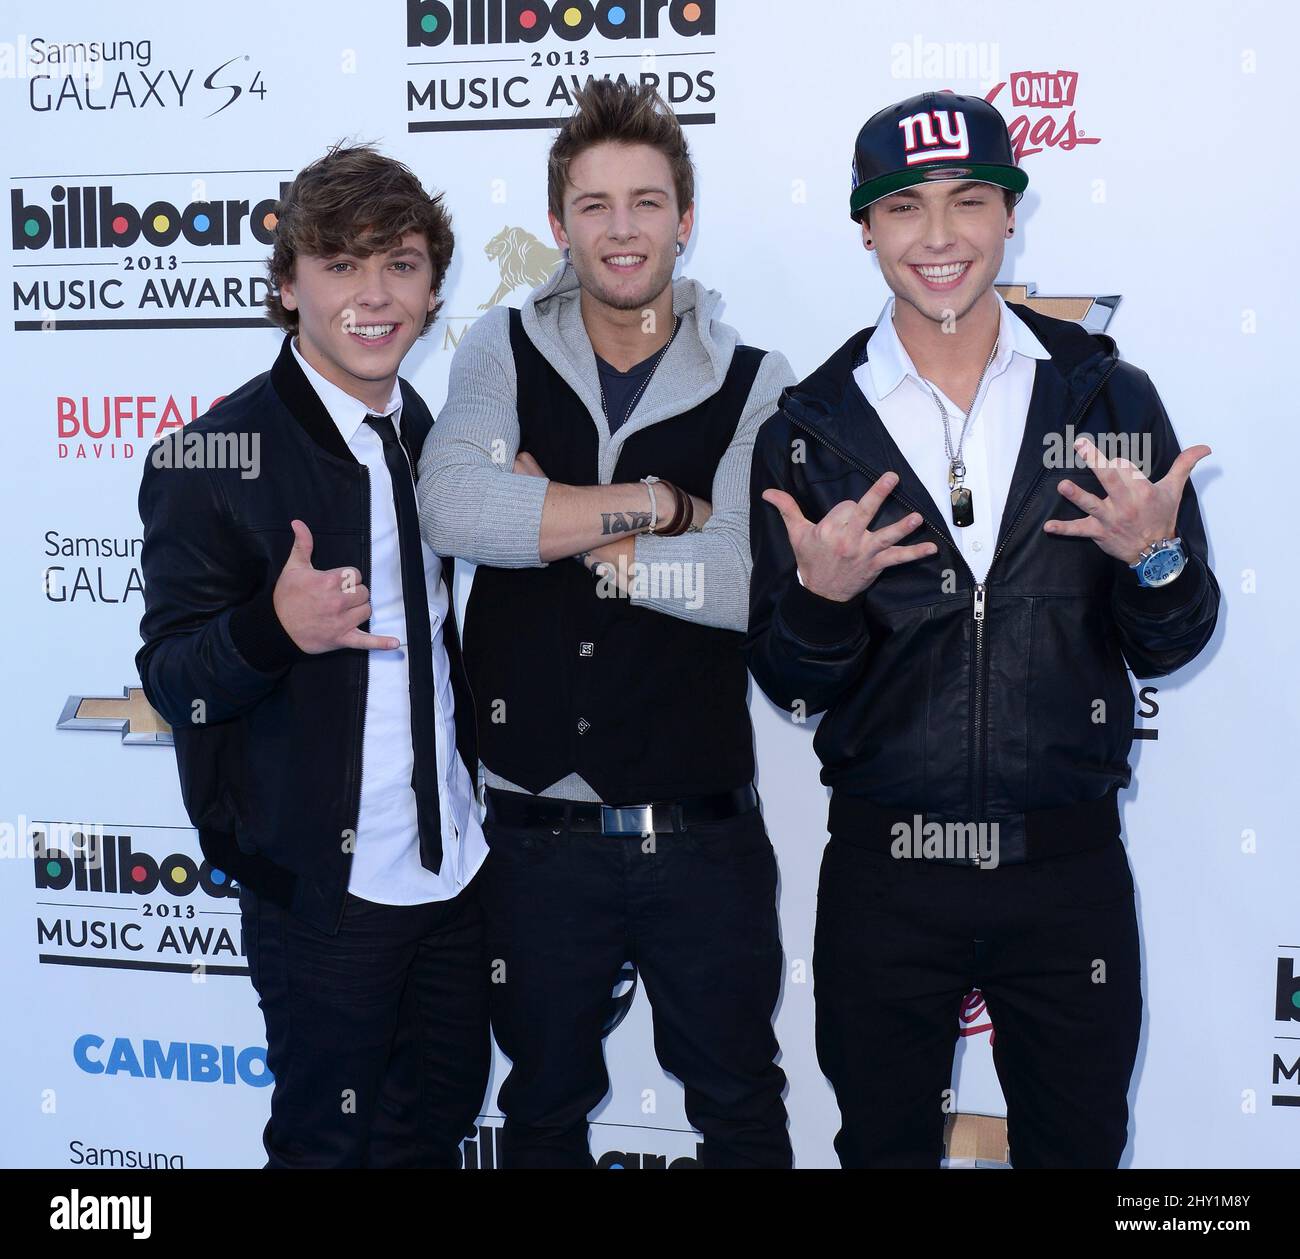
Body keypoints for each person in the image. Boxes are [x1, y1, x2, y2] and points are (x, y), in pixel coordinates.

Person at [745, 91, 1220, 1168]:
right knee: (881, 1149)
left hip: (1067, 871)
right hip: (885, 874)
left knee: (1081, 1150)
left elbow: (1173, 639)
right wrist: (819, 600)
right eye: (904, 206)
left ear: (1011, 213)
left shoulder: (1106, 397)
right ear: (864, 228)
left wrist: (1153, 557)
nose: (940, 235)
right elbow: (786, 676)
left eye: (970, 200)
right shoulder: (809, 427)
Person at [419, 79, 796, 1168]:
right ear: (558, 224)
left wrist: (558, 526)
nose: (620, 229)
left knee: (738, 1101)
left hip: (704, 836)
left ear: (685, 218)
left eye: (645, 202)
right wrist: (657, 508)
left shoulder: (754, 380)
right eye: (594, 205)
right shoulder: (497, 347)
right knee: (538, 1108)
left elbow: (736, 585)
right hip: (534, 837)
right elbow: (452, 508)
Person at [135, 142, 489, 1168]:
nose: (374, 296)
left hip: (455, 870)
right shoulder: (211, 457)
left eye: (403, 263)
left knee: (433, 1129)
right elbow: (171, 680)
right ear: (287, 286)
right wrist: (269, 630)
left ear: (432, 285)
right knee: (326, 1146)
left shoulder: (431, 431)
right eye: (340, 265)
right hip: (326, 891)